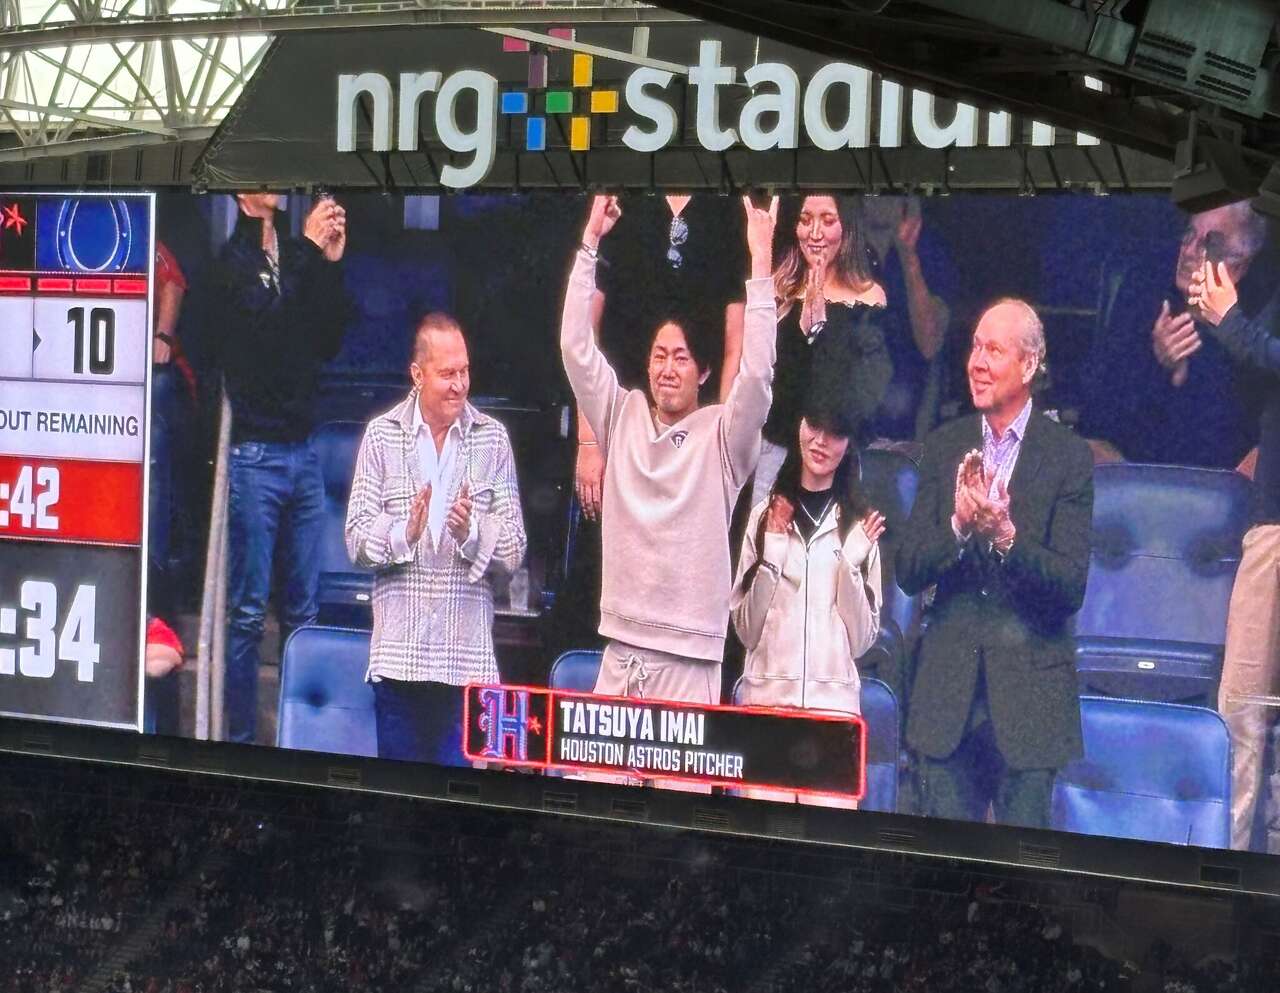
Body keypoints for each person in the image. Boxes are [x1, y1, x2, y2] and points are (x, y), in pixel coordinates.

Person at [560, 193, 777, 712]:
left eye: (681, 358)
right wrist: (590, 243)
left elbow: (757, 376)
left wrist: (762, 263)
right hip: (621, 648)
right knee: (599, 793)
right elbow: (575, 347)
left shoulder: (725, 437)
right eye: (659, 356)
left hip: (692, 657)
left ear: (702, 371)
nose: (667, 368)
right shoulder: (621, 414)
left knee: (682, 797)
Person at [897, 298, 1093, 829]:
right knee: (940, 879)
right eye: (975, 347)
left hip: (1029, 704)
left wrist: (1007, 536)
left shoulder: (1069, 458)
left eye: (994, 350)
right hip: (947, 702)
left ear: (1029, 366)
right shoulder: (943, 448)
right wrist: (958, 529)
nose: (977, 362)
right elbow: (909, 569)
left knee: (1020, 890)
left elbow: (1069, 586)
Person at [345, 313, 527, 765]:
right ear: (418, 374)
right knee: (398, 809)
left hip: (466, 665)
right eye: (447, 374)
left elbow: (515, 548)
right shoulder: (382, 436)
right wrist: (403, 534)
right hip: (399, 663)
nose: (459, 385)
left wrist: (472, 534)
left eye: (464, 371)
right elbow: (356, 539)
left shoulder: (493, 439)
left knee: (458, 813)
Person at [215, 192, 350, 745]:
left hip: (303, 449)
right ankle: (242, 741)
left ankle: (301, 740)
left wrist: (329, 269)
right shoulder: (232, 264)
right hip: (256, 454)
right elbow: (264, 340)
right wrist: (310, 257)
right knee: (248, 613)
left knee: (305, 606)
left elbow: (325, 340)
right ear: (242, 192)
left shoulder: (293, 255)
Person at [730, 399, 885, 808]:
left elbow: (863, 641)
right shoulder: (765, 515)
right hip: (767, 710)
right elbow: (745, 629)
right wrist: (771, 559)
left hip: (832, 716)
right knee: (760, 847)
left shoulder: (859, 525)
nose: (820, 441)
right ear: (799, 425)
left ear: (848, 443)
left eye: (834, 432)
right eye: (813, 425)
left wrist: (849, 567)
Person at [1188, 229, 1280, 851]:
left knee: (1247, 706)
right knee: (1243, 706)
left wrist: (1232, 322)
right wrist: (1222, 321)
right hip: (1272, 518)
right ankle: (1228, 871)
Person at [722, 194, 891, 506]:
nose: (815, 233)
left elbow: (863, 394)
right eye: (805, 220)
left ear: (847, 228)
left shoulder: (869, 296)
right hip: (775, 452)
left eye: (827, 221)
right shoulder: (775, 289)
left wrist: (820, 331)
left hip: (836, 460)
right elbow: (760, 379)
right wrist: (802, 333)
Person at [1080, 200, 1265, 469]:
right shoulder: (1144, 290)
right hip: (1133, 474)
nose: (1189, 251)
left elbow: (1241, 432)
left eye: (1209, 244)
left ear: (1239, 266)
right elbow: (1099, 413)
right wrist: (1157, 364)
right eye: (1189, 235)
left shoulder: (1263, 319)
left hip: (1228, 487)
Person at [860, 195, 956, 442]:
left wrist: (907, 255)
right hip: (845, 425)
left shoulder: (929, 251)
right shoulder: (839, 245)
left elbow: (930, 343)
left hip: (905, 429)